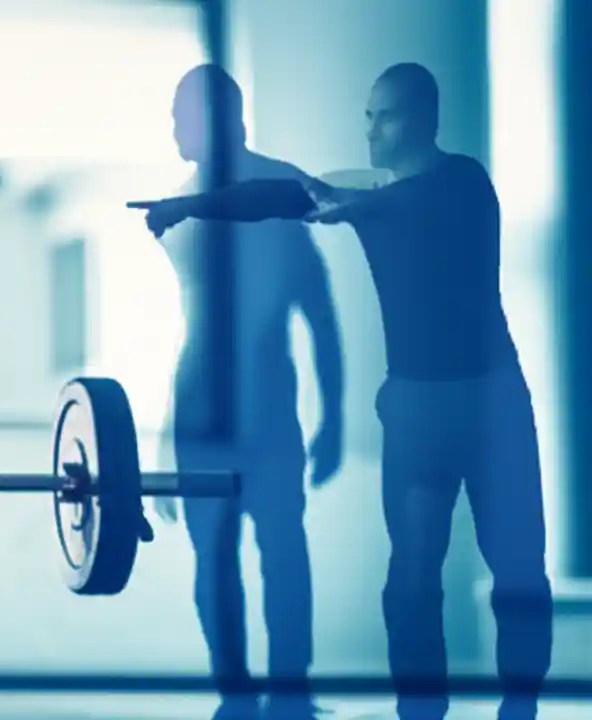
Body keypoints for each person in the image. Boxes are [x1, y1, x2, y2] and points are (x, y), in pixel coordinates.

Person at [129, 62, 552, 720]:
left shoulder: (463, 180)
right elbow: (277, 197)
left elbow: (403, 206)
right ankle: (419, 714)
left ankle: (519, 709)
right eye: (368, 116)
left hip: (490, 405)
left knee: (517, 568)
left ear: (426, 120)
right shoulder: (366, 194)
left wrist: (349, 205)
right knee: (410, 580)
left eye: (387, 116)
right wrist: (190, 206)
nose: (371, 130)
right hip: (412, 409)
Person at [148, 64, 343, 720]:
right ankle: (238, 694)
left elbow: (318, 310)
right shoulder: (180, 203)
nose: (174, 128)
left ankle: (287, 693)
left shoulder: (277, 192)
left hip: (259, 407)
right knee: (220, 554)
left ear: (221, 119)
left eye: (182, 115)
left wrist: (335, 413)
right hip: (205, 407)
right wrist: (164, 437)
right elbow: (194, 328)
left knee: (278, 550)